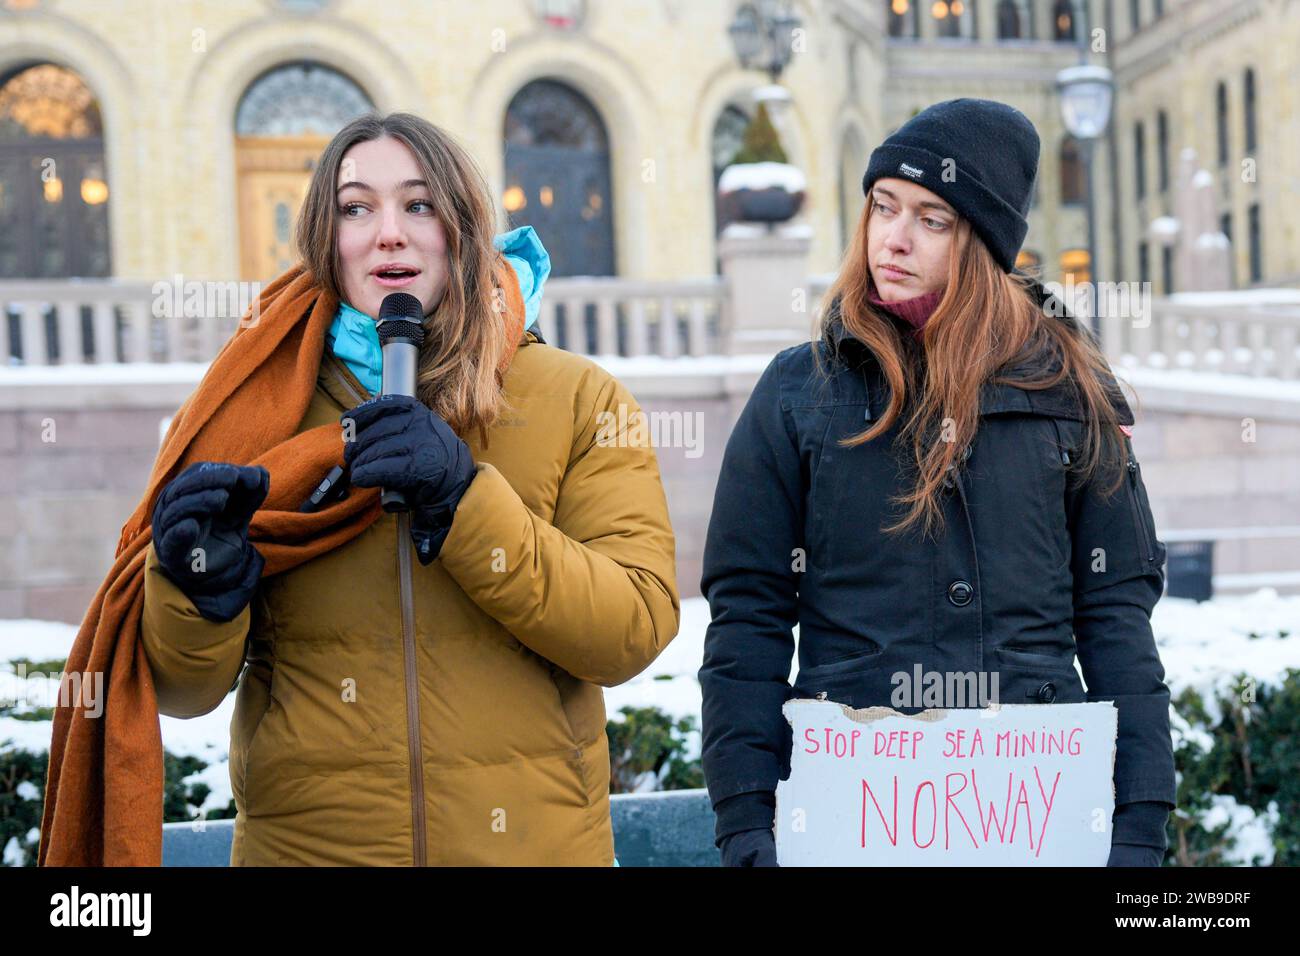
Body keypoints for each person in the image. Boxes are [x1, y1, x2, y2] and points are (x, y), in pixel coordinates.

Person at [39, 112, 679, 866]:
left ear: (462, 225)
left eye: (418, 204)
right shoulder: (253, 408)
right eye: (355, 207)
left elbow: (632, 627)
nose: (389, 234)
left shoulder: (579, 397)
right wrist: (196, 589)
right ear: (325, 236)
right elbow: (182, 690)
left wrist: (465, 504)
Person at [698, 98, 1175, 868]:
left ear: (982, 243)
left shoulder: (1071, 392)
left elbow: (1118, 614)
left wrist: (1139, 821)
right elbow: (747, 617)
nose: (893, 236)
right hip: (853, 811)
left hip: (1040, 810)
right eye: (883, 205)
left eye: (932, 218)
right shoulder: (798, 392)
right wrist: (746, 820)